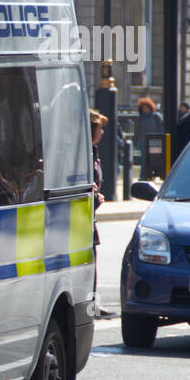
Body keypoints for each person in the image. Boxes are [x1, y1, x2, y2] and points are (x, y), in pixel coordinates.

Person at [90, 109, 110, 315]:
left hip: (91, 217)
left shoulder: (94, 152)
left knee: (93, 259)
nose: (103, 132)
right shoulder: (85, 153)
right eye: (100, 128)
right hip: (84, 218)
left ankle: (93, 303)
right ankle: (90, 305)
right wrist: (96, 197)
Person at [132, 96, 164, 180]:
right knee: (144, 160)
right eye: (143, 108)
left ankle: (152, 176)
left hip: (155, 142)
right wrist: (135, 142)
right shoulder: (140, 118)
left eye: (146, 107)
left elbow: (161, 128)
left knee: (153, 160)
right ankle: (143, 177)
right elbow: (137, 131)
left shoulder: (156, 117)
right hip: (143, 142)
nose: (145, 109)